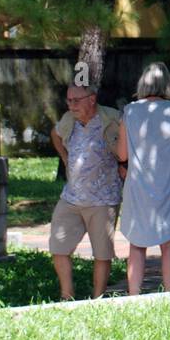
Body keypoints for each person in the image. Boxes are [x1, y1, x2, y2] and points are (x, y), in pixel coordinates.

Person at [116, 62, 170, 295]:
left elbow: (122, 154)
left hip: (138, 186)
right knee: (169, 242)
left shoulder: (129, 112)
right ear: (168, 84)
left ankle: (134, 294)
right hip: (168, 184)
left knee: (137, 242)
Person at [47, 84, 123, 299]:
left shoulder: (112, 118)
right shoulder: (69, 120)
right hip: (71, 197)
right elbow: (55, 133)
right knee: (58, 246)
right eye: (69, 101)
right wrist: (64, 156)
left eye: (76, 100)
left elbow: (129, 144)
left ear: (92, 99)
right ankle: (66, 295)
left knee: (102, 253)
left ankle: (97, 298)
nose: (72, 105)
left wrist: (123, 163)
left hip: (103, 198)